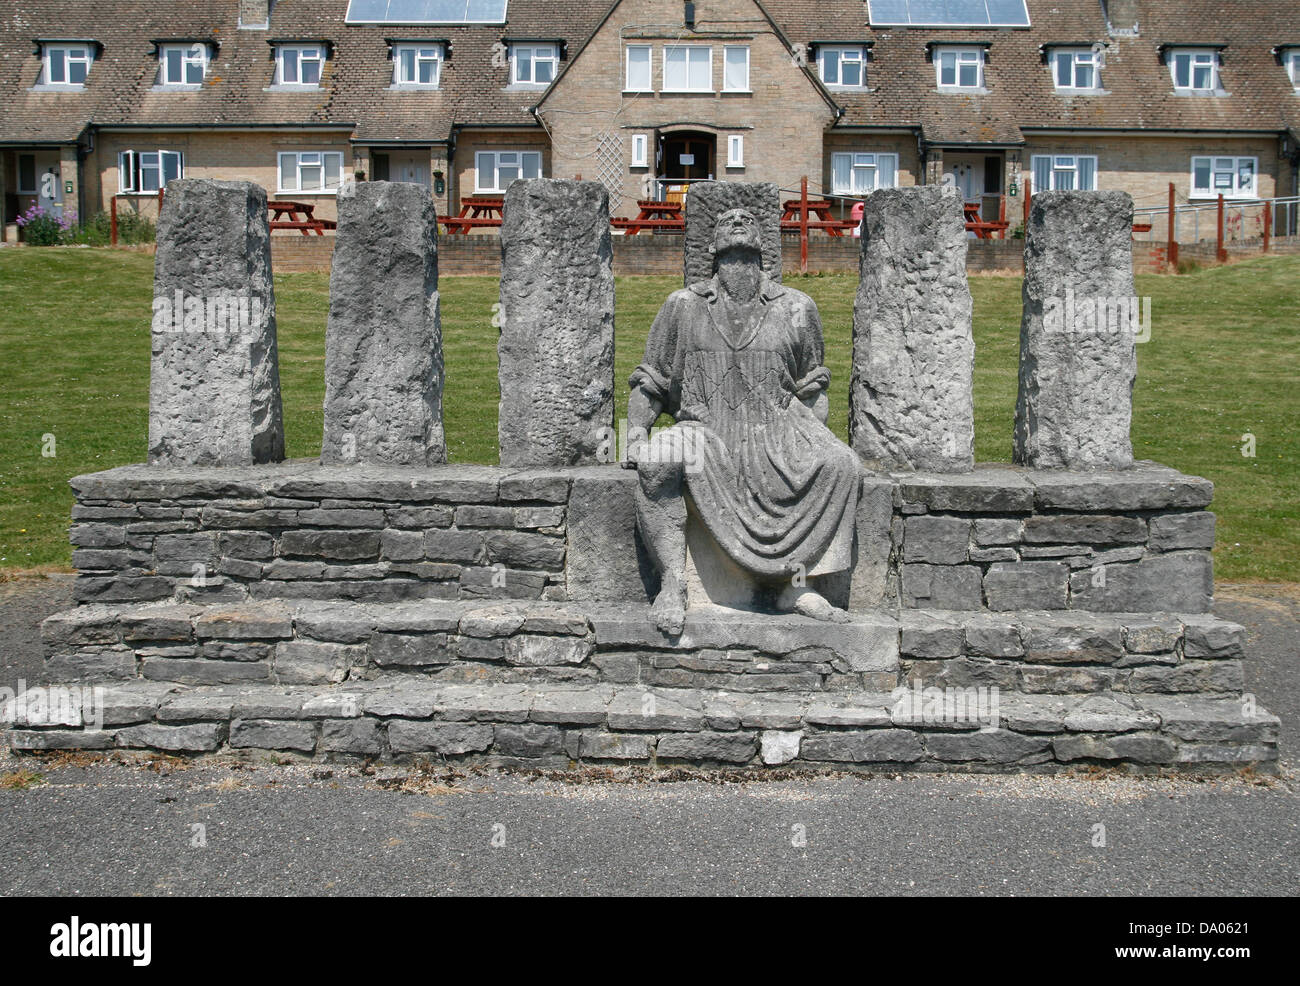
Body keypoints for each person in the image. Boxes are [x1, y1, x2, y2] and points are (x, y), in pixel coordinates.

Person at [624, 208, 860, 634]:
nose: (736, 219)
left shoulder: (797, 307)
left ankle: (801, 587)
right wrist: (637, 431)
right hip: (702, 429)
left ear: (763, 243)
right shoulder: (682, 305)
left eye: (746, 218)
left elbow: (812, 387)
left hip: (779, 427)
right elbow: (652, 379)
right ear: (711, 246)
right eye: (726, 218)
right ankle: (673, 582)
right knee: (656, 462)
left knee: (841, 464)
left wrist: (815, 435)